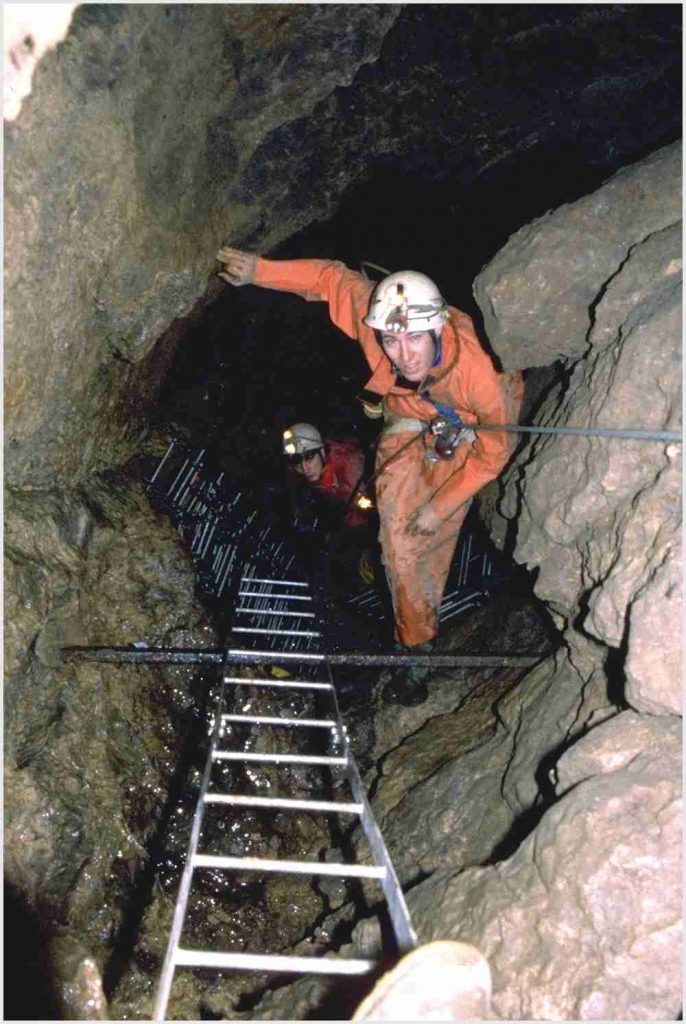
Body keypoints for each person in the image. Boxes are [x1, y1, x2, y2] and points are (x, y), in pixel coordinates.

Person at [216, 247, 522, 706]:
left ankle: (414, 653)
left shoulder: (480, 378)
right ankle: (414, 629)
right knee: (396, 543)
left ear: (437, 327)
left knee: (419, 539)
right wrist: (261, 271)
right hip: (408, 415)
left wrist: (439, 507)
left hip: (467, 426)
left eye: (415, 340)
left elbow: (495, 455)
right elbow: (329, 279)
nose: (402, 355)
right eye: (391, 342)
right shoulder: (380, 323)